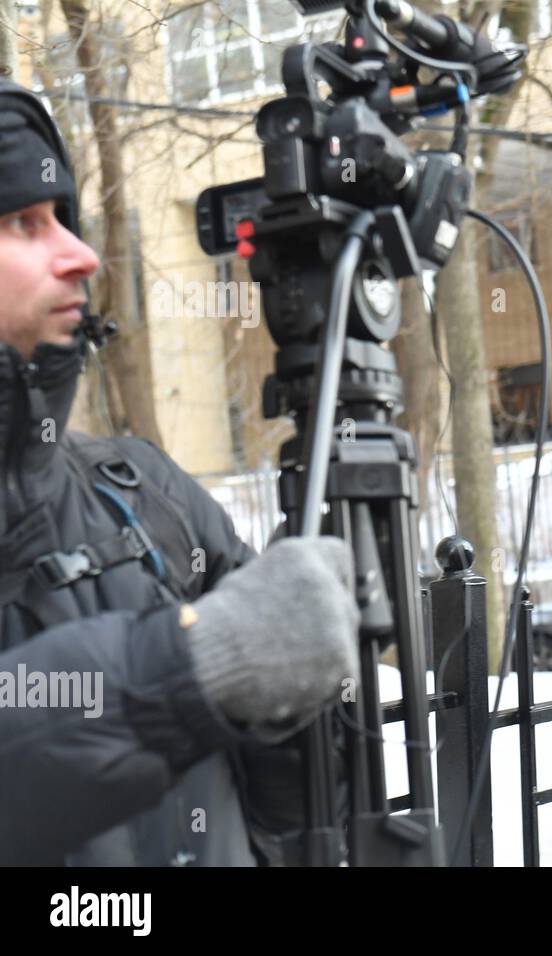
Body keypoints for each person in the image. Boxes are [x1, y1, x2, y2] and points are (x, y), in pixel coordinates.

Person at [0, 79, 359, 865]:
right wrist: (183, 672)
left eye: (64, 217)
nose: (82, 255)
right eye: (24, 223)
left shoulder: (139, 488)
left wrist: (293, 700)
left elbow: (301, 810)